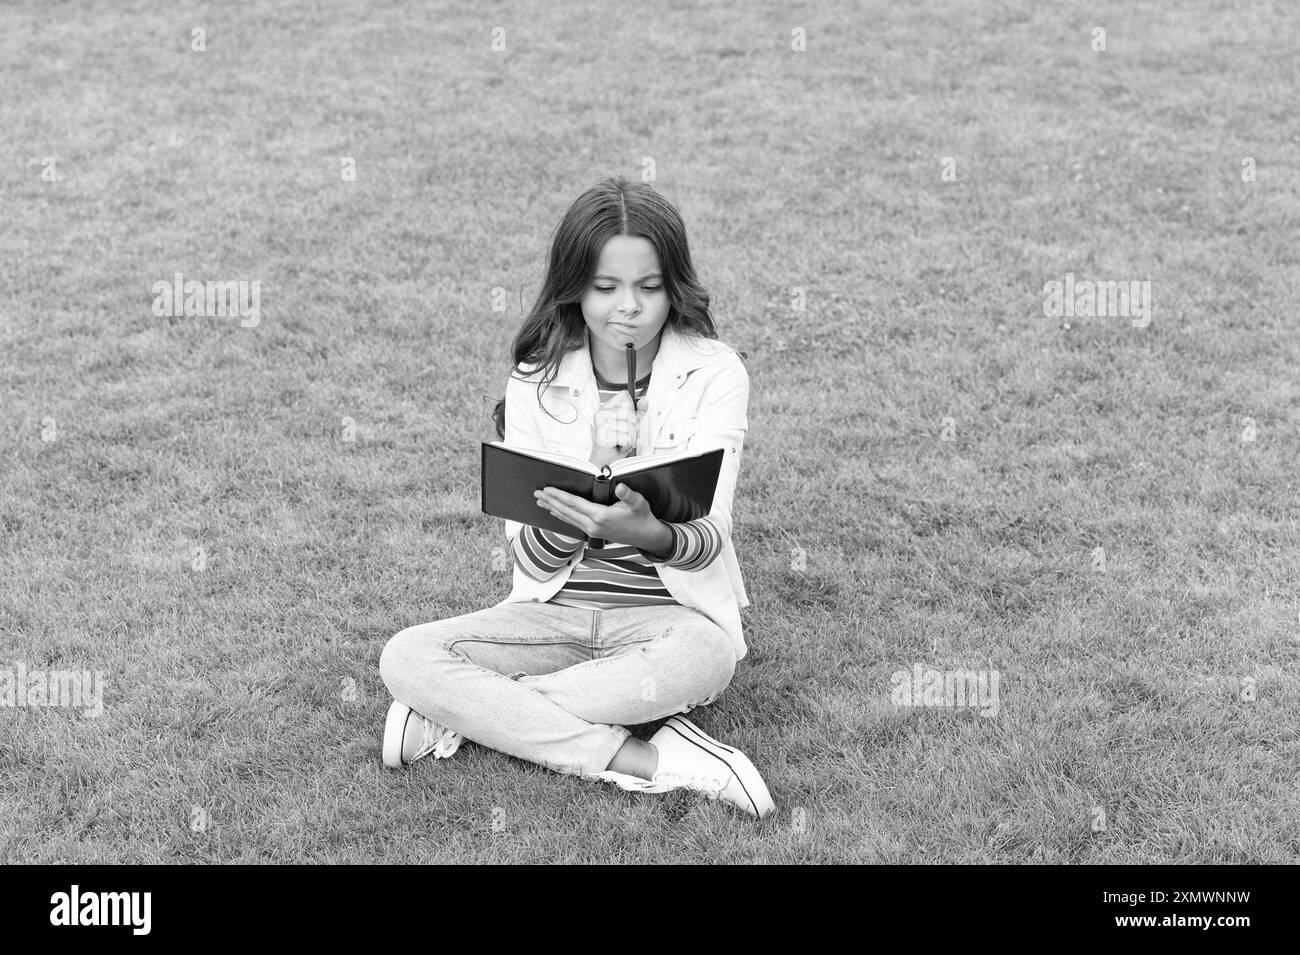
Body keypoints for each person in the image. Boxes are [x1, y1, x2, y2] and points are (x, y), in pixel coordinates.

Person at [378, 175, 773, 818]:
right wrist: (590, 475)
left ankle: (468, 714)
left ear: (675, 286)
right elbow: (533, 563)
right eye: (605, 287)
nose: (629, 308)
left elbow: (708, 540)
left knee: (708, 657)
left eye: (649, 288)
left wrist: (646, 530)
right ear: (573, 287)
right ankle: (649, 758)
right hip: (551, 616)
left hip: (667, 623)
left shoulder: (714, 372)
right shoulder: (536, 381)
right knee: (408, 655)